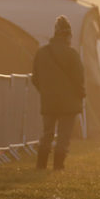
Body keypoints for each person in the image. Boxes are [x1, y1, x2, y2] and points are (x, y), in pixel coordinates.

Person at [32, 15, 85, 171]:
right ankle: (58, 165)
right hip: (69, 102)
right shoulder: (72, 54)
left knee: (47, 133)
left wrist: (45, 91)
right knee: (63, 136)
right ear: (68, 35)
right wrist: (81, 93)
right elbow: (79, 78)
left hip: (48, 101)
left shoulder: (42, 53)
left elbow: (35, 78)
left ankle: (41, 165)